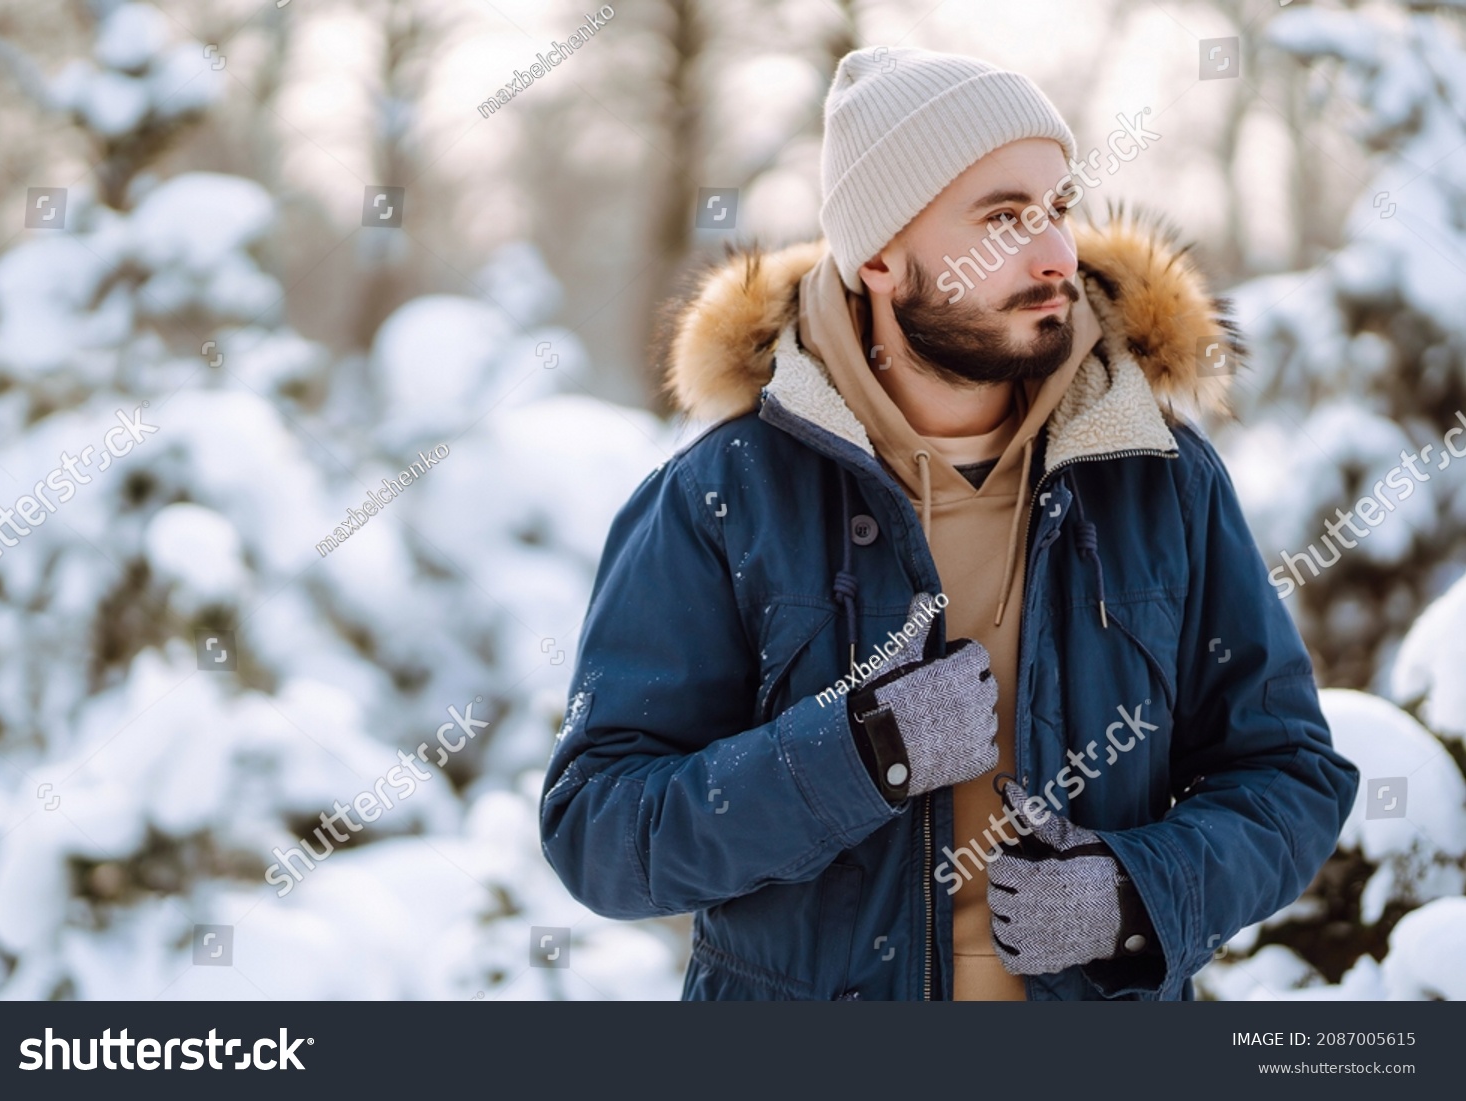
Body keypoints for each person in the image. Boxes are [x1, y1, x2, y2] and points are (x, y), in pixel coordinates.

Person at [539, 46, 1359, 1000]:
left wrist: (1139, 896)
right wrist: (855, 754)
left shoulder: (1160, 482)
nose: (1057, 252)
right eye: (1004, 218)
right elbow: (599, 830)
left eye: (1056, 209)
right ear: (881, 257)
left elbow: (1288, 771)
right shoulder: (726, 492)